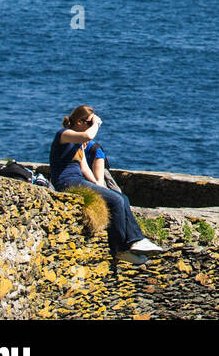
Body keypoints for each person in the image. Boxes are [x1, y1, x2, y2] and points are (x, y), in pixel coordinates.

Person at [50, 105, 162, 264]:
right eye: (89, 122)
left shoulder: (78, 141)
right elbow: (88, 136)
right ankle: (119, 249)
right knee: (116, 201)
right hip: (66, 182)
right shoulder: (64, 134)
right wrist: (96, 124)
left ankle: (136, 239)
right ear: (80, 122)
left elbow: (84, 167)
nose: (91, 125)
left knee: (121, 197)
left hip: (78, 179)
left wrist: (97, 184)